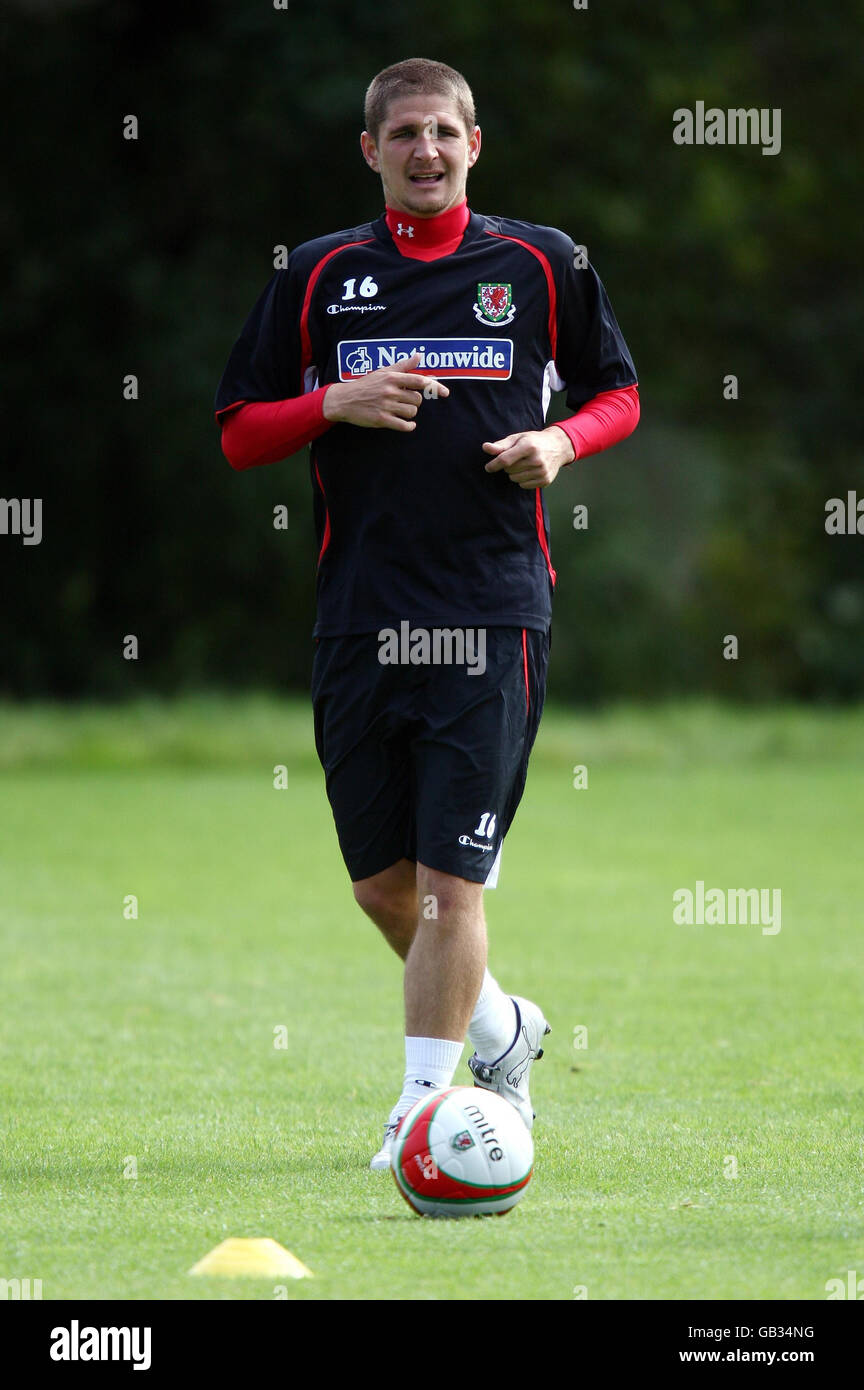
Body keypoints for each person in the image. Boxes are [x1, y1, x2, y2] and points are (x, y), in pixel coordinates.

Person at [214, 58, 639, 1170]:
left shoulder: (542, 263)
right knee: (381, 885)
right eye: (404, 133)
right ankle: (501, 1030)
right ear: (372, 150)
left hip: (492, 611)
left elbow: (620, 390)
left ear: (474, 144)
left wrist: (560, 441)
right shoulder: (317, 275)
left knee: (453, 883)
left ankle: (419, 1113)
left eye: (444, 132)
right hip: (360, 612)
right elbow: (239, 430)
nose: (425, 150)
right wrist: (331, 403)